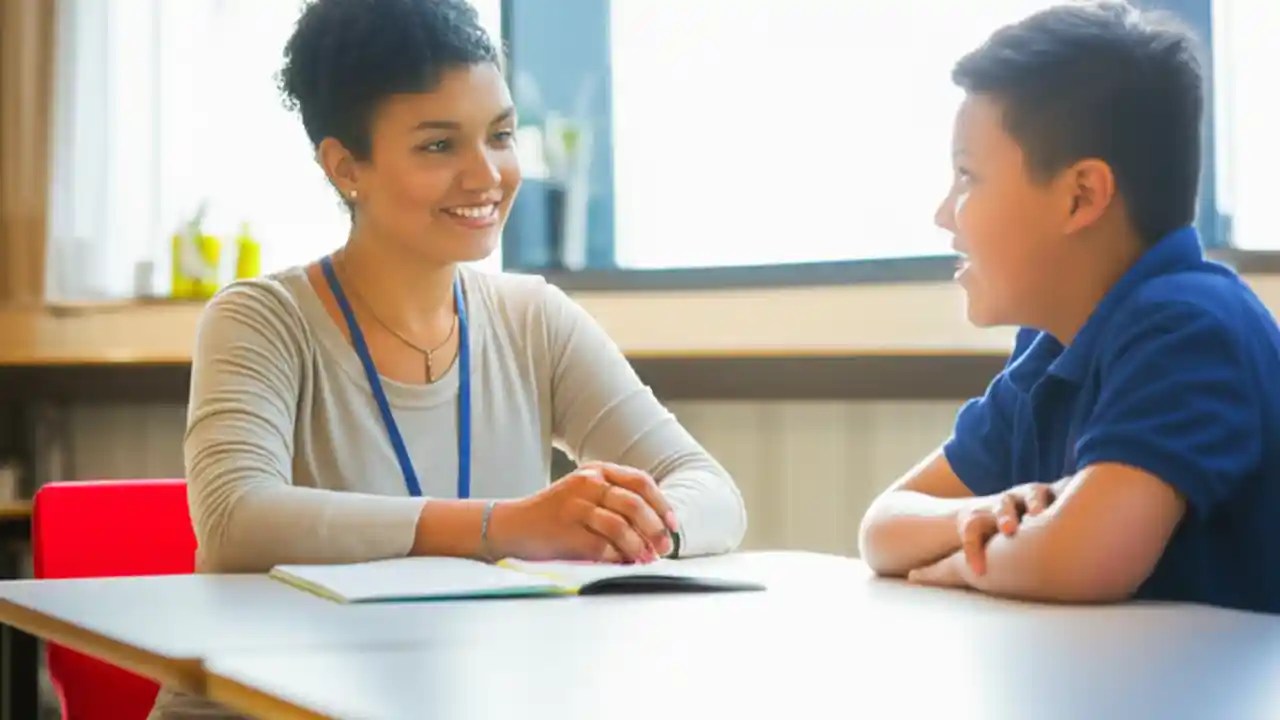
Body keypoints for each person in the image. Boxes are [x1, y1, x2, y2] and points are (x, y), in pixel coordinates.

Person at [150, 0, 746, 716]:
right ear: (346, 166)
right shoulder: (260, 321)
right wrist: (507, 527)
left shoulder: (534, 319)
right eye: (439, 146)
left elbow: (711, 491)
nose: (485, 174)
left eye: (500, 135)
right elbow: (238, 521)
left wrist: (627, 529)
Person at [859, 1, 1280, 614]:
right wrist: (974, 517)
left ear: (1081, 196)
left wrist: (957, 564)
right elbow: (884, 526)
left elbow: (1083, 558)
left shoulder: (1189, 326)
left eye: (968, 177)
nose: (944, 213)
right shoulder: (1051, 344)